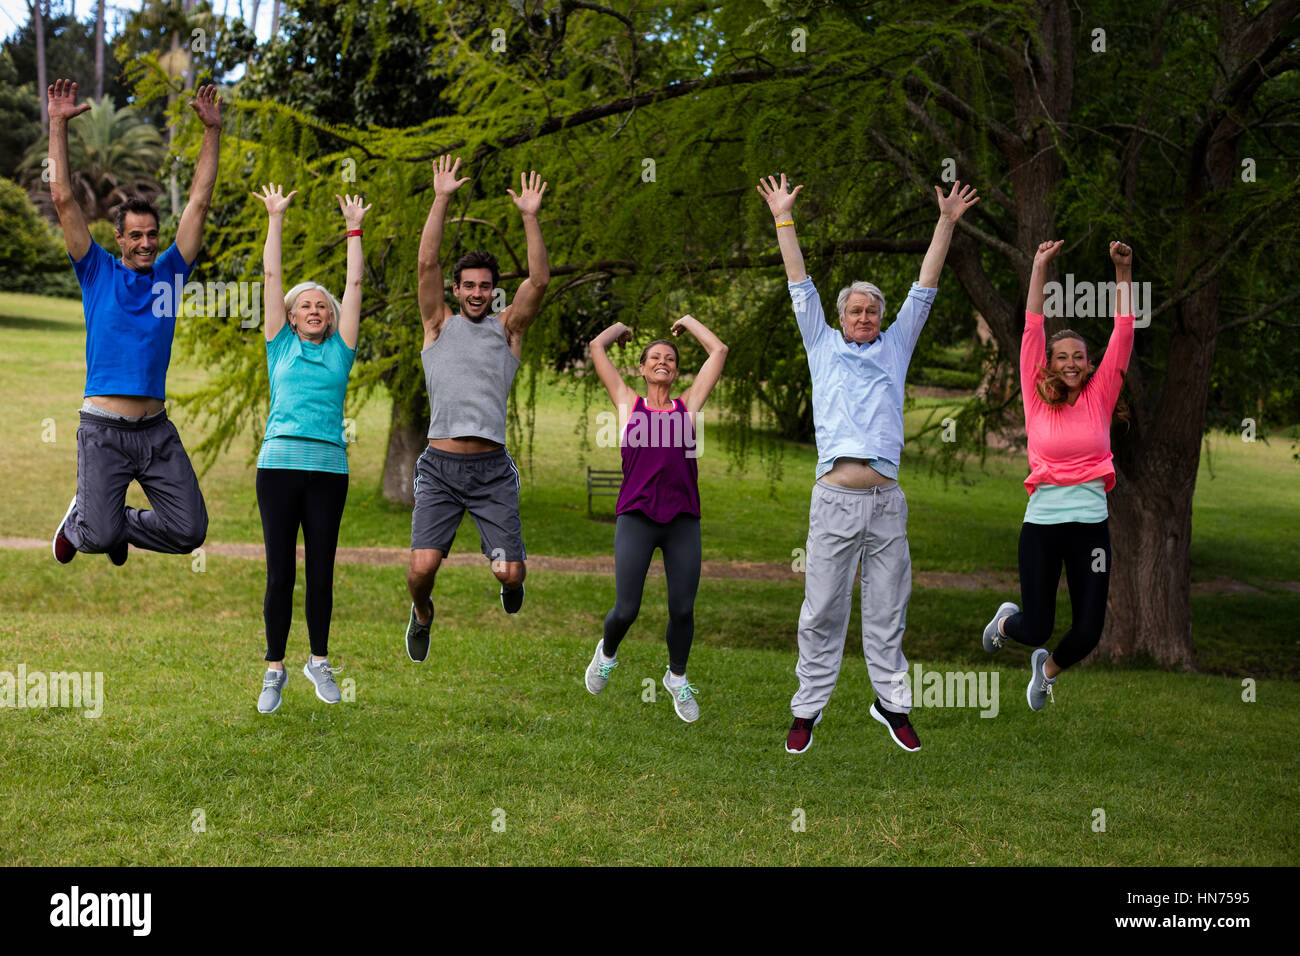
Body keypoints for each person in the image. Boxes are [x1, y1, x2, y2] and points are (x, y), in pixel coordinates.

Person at [756, 173, 980, 755]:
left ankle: (892, 704)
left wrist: (946, 221)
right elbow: (798, 281)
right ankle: (807, 710)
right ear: (841, 316)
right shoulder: (821, 343)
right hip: (833, 499)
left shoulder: (896, 344)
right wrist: (784, 216)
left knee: (888, 609)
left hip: (885, 504)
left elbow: (925, 285)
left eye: (871, 311)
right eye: (855, 310)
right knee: (822, 610)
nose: (863, 318)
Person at [48, 78, 221, 566]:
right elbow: (63, 197)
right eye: (136, 236)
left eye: (153, 235)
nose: (147, 243)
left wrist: (212, 132)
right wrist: (58, 124)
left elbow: (199, 202)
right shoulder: (96, 270)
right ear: (119, 238)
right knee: (99, 538)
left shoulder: (170, 274)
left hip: (156, 431)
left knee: (190, 530)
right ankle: (93, 520)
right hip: (103, 428)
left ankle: (108, 518)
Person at [403, 155, 550, 662]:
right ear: (456, 289)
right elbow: (426, 263)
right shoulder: (438, 325)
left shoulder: (507, 330)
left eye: (485, 286)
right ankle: (422, 614)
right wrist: (441, 198)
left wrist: (530, 215)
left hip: (491, 471)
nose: (476, 293)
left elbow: (539, 281)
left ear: (493, 291)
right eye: (468, 285)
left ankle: (511, 584)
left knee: (509, 570)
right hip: (440, 468)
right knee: (420, 571)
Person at [981, 239, 1134, 710]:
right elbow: (1032, 326)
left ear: (1090, 365)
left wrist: (1123, 272)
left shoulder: (1100, 394)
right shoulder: (1035, 395)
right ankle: (1005, 624)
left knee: (1088, 632)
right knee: (1036, 626)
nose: (1070, 362)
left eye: (1079, 357)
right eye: (1061, 356)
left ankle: (1046, 672)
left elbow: (1124, 331)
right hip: (1043, 526)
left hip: (1090, 527)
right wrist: (1039, 267)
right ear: (1049, 363)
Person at [251, 184, 370, 714]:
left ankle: (317, 661)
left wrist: (354, 230)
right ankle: (274, 668)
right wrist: (276, 217)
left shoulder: (342, 352)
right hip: (277, 467)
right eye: (305, 305)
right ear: (291, 316)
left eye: (322, 304)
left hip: (328, 469)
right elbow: (272, 276)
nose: (315, 307)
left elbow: (356, 280)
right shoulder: (279, 343)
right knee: (281, 572)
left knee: (321, 570)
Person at [583, 316, 728, 722]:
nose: (662, 361)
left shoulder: (688, 405)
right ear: (643, 369)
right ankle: (607, 654)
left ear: (676, 371)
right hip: (637, 518)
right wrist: (618, 329)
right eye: (654, 358)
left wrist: (690, 323)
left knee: (682, 609)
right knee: (626, 609)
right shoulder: (629, 403)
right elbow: (597, 347)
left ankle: (676, 678)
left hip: (682, 520)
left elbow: (719, 352)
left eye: (670, 358)